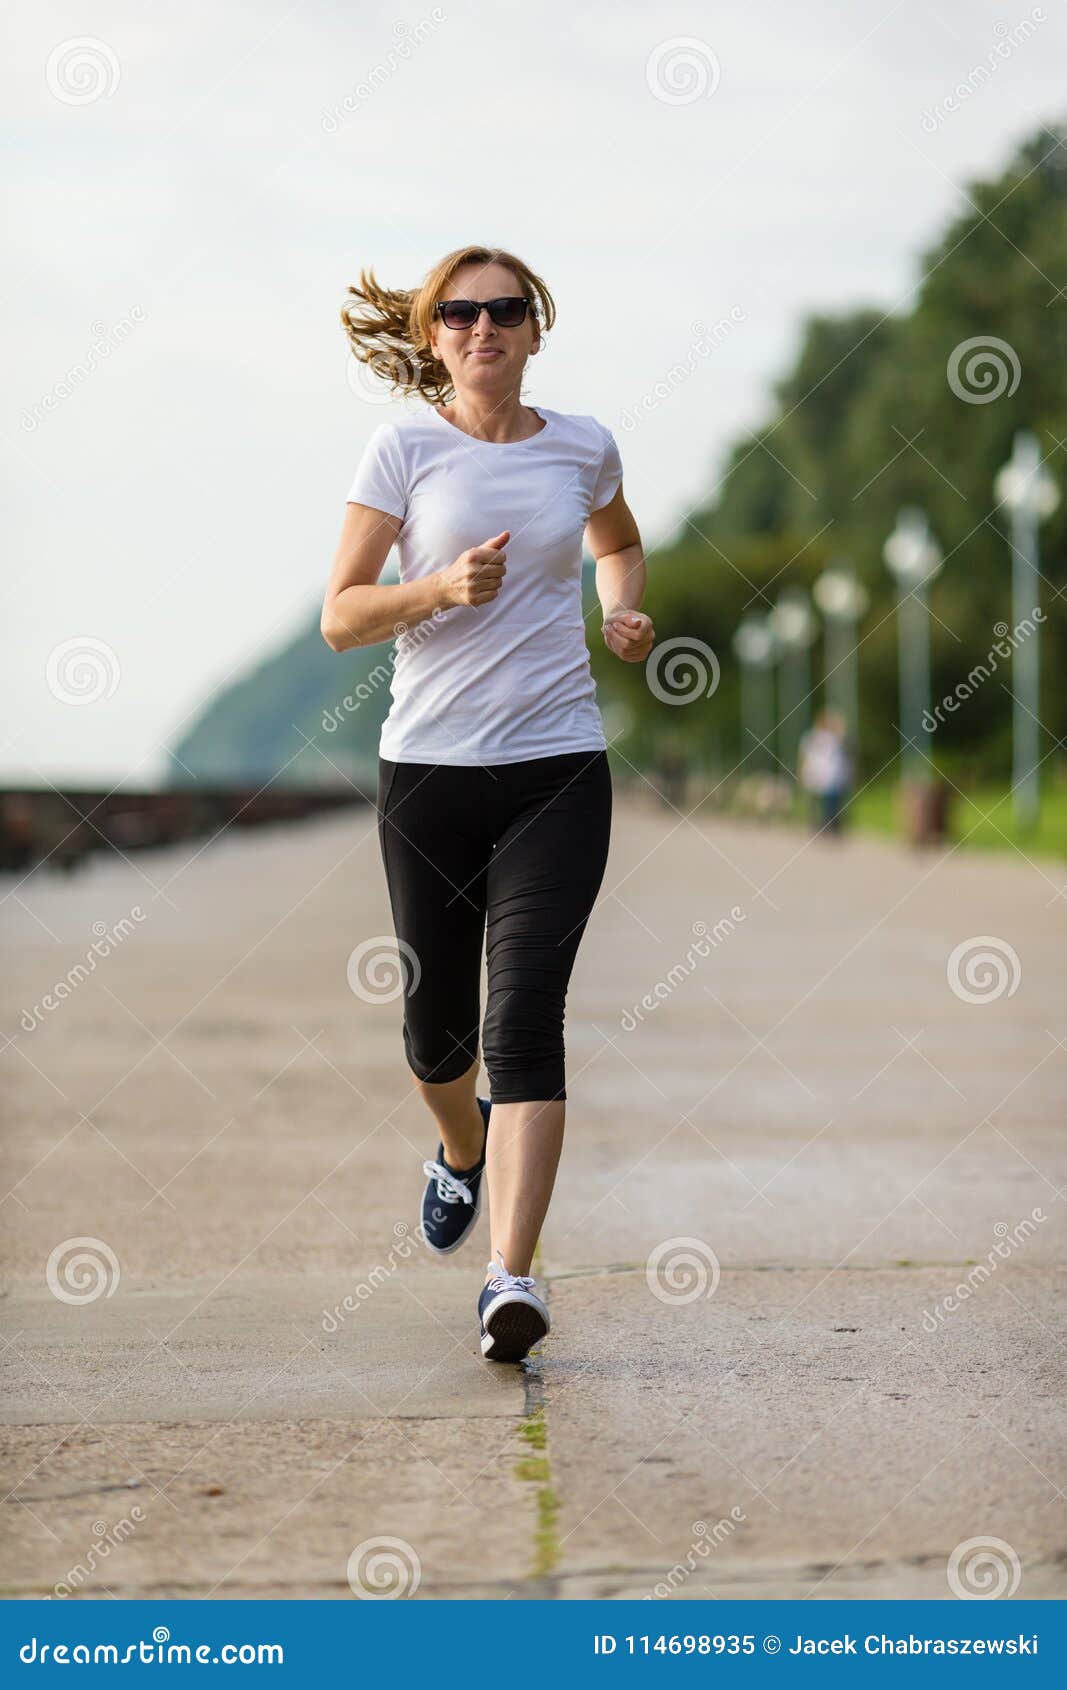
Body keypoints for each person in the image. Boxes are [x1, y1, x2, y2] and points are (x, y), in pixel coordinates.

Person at [321, 245, 652, 1363]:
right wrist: (436, 588)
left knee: (523, 1022)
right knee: (437, 1037)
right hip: (428, 775)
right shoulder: (402, 448)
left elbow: (618, 542)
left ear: (532, 327)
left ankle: (512, 1280)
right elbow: (341, 615)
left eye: (503, 309)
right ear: (432, 337)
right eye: (458, 313)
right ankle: (457, 1147)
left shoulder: (582, 444)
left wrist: (621, 609)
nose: (482, 327)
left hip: (558, 769)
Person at [798, 708, 854, 835]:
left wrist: (839, 726)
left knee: (831, 803)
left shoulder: (833, 737)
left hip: (831, 777)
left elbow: (843, 741)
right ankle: (817, 825)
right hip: (816, 775)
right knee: (815, 802)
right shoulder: (811, 736)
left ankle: (830, 826)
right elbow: (805, 756)